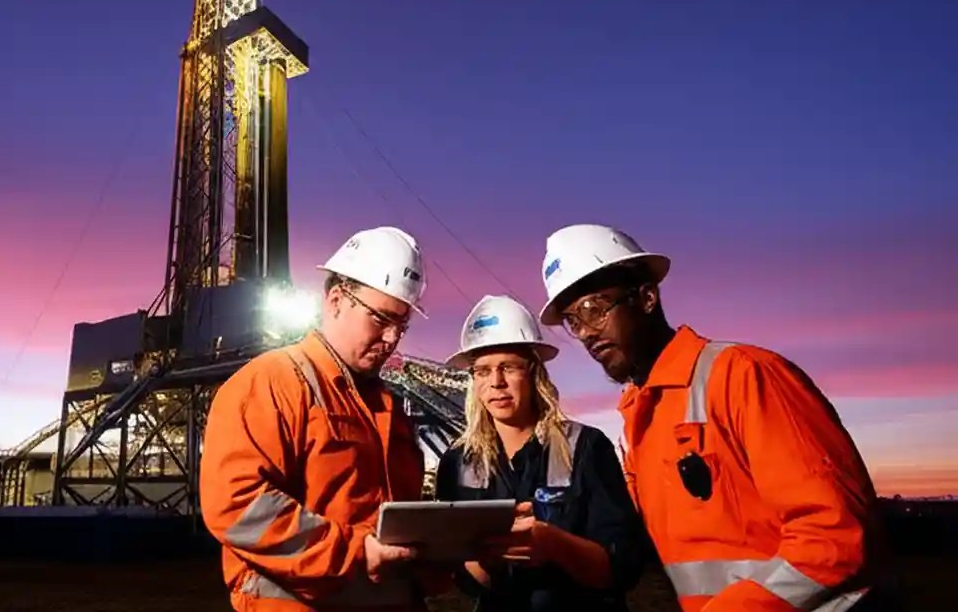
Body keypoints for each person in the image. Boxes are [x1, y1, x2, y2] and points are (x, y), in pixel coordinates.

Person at [535, 223, 886, 612]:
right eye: (573, 320)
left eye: (595, 310)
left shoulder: (743, 375)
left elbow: (836, 537)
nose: (585, 332)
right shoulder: (640, 413)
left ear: (647, 297)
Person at [200, 226, 438, 611]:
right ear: (336, 300)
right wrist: (356, 552)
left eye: (402, 325)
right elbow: (238, 506)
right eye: (380, 319)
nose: (393, 338)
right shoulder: (271, 383)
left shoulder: (388, 408)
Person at [434, 294, 648, 611]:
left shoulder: (586, 447)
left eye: (509, 367)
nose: (496, 382)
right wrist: (486, 561)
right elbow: (466, 581)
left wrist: (552, 543)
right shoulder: (457, 462)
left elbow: (620, 568)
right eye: (482, 370)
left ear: (534, 373)